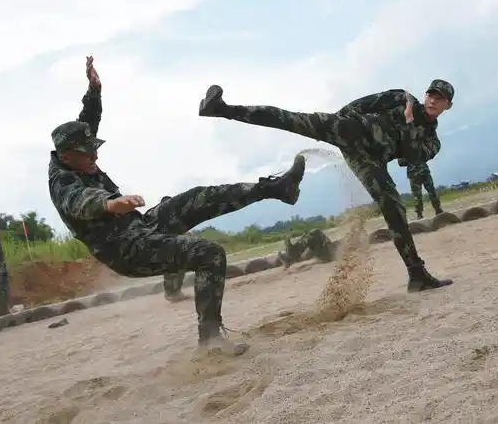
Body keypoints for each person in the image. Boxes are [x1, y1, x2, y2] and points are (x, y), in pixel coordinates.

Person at [47, 56, 307, 357]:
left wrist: (94, 90)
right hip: (126, 251)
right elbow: (81, 203)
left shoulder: (76, 152)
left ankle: (276, 188)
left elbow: (87, 122)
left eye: (94, 148)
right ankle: (210, 341)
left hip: (139, 226)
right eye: (87, 152)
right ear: (66, 157)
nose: (94, 155)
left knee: (196, 198)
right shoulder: (62, 182)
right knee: (210, 255)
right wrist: (110, 203)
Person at [198, 81, 455, 293]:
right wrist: (341, 124)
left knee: (394, 206)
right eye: (431, 94)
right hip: (352, 131)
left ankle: (417, 274)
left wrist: (409, 124)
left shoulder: (432, 142)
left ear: (448, 106)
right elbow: (363, 104)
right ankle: (221, 108)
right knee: (290, 119)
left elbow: (411, 159)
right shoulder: (402, 97)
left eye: (440, 98)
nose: (433, 100)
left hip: (369, 160)